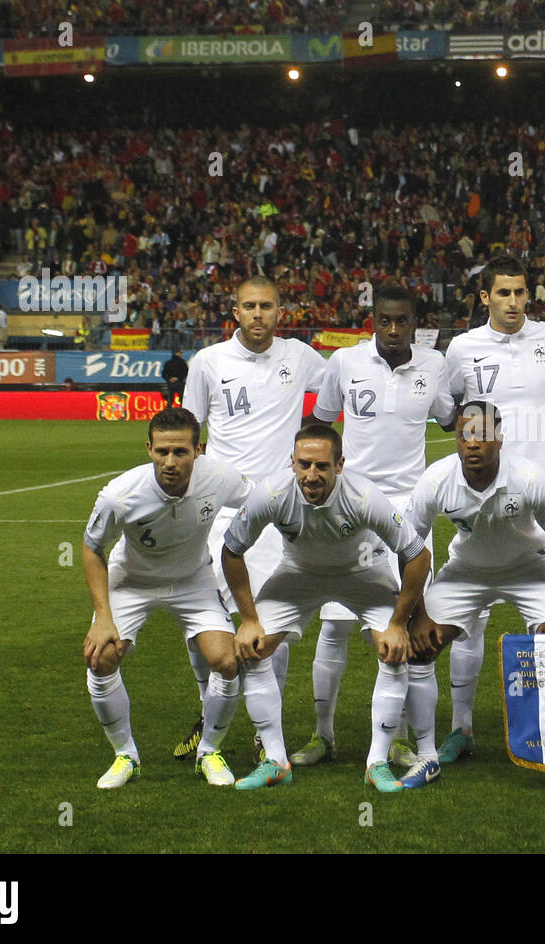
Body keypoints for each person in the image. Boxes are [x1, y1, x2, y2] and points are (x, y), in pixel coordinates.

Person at [295, 284, 456, 770]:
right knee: (335, 623)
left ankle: (402, 739)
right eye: (383, 320)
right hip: (350, 505)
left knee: (404, 621)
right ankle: (323, 736)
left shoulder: (434, 366)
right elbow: (319, 426)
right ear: (372, 322)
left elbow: (451, 419)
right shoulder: (344, 364)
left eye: (401, 321)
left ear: (414, 324)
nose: (391, 329)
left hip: (410, 509)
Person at [221, 424, 432, 790]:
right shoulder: (271, 494)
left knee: (394, 650)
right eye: (303, 465)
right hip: (298, 574)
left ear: (339, 465)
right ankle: (276, 760)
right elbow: (231, 550)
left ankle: (376, 763)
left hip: (363, 572)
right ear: (292, 463)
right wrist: (249, 619)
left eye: (321, 466)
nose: (311, 475)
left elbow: (417, 555)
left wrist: (399, 622)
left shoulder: (364, 496)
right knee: (252, 648)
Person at [176, 275, 327, 761]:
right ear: (234, 311)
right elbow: (189, 436)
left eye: (267, 306)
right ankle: (207, 714)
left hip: (277, 517)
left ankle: (268, 735)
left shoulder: (301, 358)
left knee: (270, 628)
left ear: (280, 312)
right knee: (202, 627)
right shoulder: (208, 362)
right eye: (249, 306)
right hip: (217, 513)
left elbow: (340, 390)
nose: (258, 314)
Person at [402, 402, 545, 789]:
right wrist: (418, 615)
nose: (472, 444)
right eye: (465, 434)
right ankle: (428, 754)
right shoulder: (436, 480)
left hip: (529, 569)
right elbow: (410, 546)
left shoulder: (530, 478)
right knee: (419, 647)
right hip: (466, 572)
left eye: (482, 434)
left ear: (499, 438)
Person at [437, 255, 545, 763]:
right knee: (470, 618)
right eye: (503, 293)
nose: (514, 302)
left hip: (543, 501)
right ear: (485, 296)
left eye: (520, 292)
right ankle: (461, 729)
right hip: (483, 499)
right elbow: (450, 412)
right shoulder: (463, 347)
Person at [81, 407, 250, 790]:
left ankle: (209, 751)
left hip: (193, 580)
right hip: (132, 582)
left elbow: (257, 502)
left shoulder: (220, 477)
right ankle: (126, 755)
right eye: (161, 452)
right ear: (148, 449)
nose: (170, 462)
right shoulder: (120, 495)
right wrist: (103, 616)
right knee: (101, 658)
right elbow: (92, 548)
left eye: (180, 452)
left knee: (226, 661)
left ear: (198, 450)